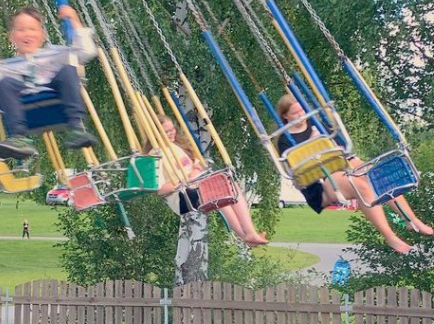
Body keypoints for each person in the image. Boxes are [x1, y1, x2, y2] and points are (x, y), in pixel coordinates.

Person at [275, 94, 431, 254]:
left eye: (302, 110)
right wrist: (315, 144)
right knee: (361, 187)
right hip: (320, 184)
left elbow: (343, 150)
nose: (301, 116)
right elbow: (300, 171)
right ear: (285, 116)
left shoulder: (316, 125)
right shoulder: (285, 140)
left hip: (339, 168)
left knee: (376, 174)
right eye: (295, 113)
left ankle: (411, 219)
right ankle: (390, 237)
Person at [0, 5, 97, 160]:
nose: (27, 34)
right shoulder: (3, 67)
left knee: (68, 70)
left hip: (54, 95)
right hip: (23, 105)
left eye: (32, 29)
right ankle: (18, 138)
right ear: (11, 36)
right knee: (5, 83)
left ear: (42, 35)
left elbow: (87, 52)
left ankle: (76, 127)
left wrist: (74, 20)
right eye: (21, 30)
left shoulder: (55, 54)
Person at [145, 114, 269, 247]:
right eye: (166, 132)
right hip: (182, 198)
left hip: (197, 187)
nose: (171, 133)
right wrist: (183, 180)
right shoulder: (155, 155)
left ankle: (248, 234)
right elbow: (159, 189)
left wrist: (195, 172)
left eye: (172, 129)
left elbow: (197, 165)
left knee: (230, 188)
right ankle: (246, 235)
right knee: (219, 193)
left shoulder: (177, 146)